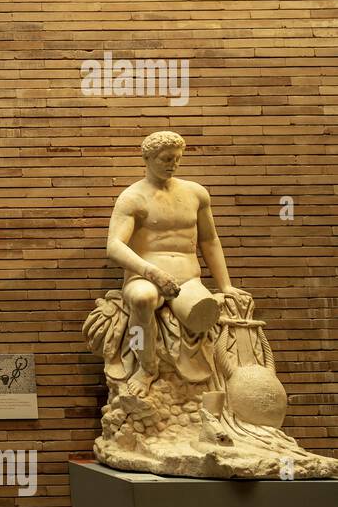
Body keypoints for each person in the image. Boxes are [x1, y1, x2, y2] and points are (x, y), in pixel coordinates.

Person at [105, 131, 245, 395]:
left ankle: (192, 385)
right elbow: (114, 246)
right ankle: (146, 368)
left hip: (187, 279)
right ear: (147, 158)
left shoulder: (196, 194)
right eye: (166, 159)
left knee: (203, 314)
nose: (173, 164)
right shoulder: (132, 197)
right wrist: (152, 273)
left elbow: (210, 241)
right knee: (143, 299)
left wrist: (225, 286)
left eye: (177, 159)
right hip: (146, 277)